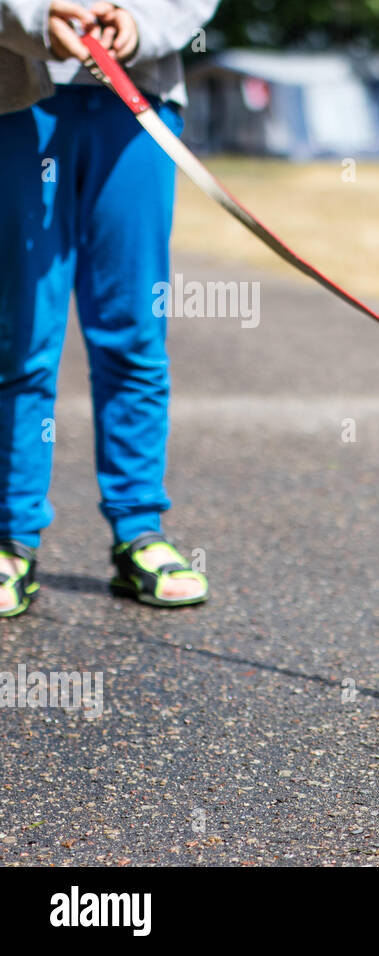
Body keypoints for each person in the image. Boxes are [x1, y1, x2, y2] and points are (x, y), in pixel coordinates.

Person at [0, 1, 218, 617]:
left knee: (133, 332)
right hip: (19, 94)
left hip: (135, 97)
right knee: (21, 337)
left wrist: (144, 22)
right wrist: (34, 17)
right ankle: (11, 537)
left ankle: (139, 531)